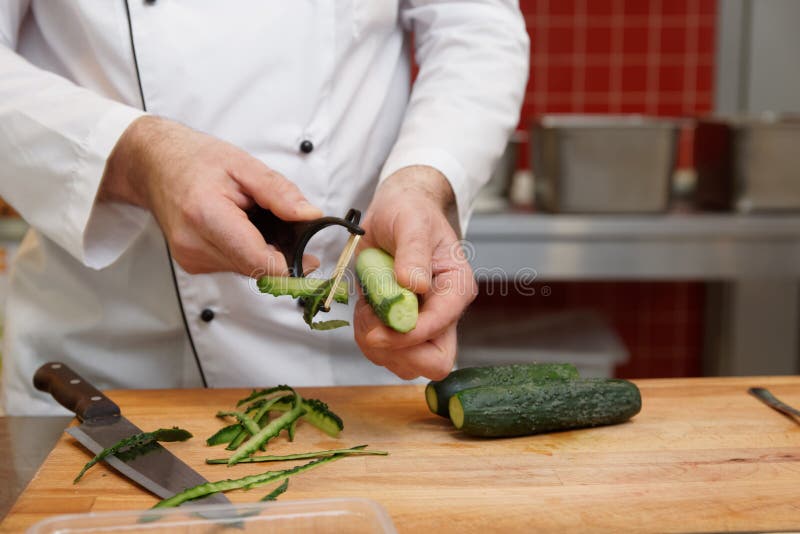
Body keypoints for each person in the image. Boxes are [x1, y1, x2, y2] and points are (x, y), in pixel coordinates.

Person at [0, 2, 529, 415]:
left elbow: (477, 30)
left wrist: (424, 177)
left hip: (357, 374)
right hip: (107, 363)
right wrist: (132, 156)